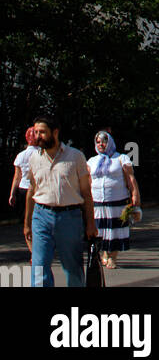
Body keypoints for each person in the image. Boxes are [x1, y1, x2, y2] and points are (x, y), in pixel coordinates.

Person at [25, 116, 99, 287]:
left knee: (72, 267)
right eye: (36, 132)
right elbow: (31, 191)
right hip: (41, 216)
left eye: (42, 132)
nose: (38, 136)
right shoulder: (34, 158)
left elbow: (86, 194)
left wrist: (90, 224)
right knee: (39, 266)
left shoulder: (75, 157)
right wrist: (27, 223)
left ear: (55, 132)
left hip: (69, 217)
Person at [87, 131, 141, 268]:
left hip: (117, 201)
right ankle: (104, 254)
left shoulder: (121, 158)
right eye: (98, 142)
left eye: (104, 141)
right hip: (97, 202)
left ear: (110, 142)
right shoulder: (92, 161)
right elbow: (87, 181)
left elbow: (130, 179)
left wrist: (135, 196)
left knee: (115, 230)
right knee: (100, 230)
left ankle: (113, 257)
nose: (101, 144)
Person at [8, 127, 38, 232]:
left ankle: (28, 234)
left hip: (23, 188)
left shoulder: (20, 155)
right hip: (37, 189)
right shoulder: (42, 153)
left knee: (26, 217)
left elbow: (17, 177)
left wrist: (12, 194)